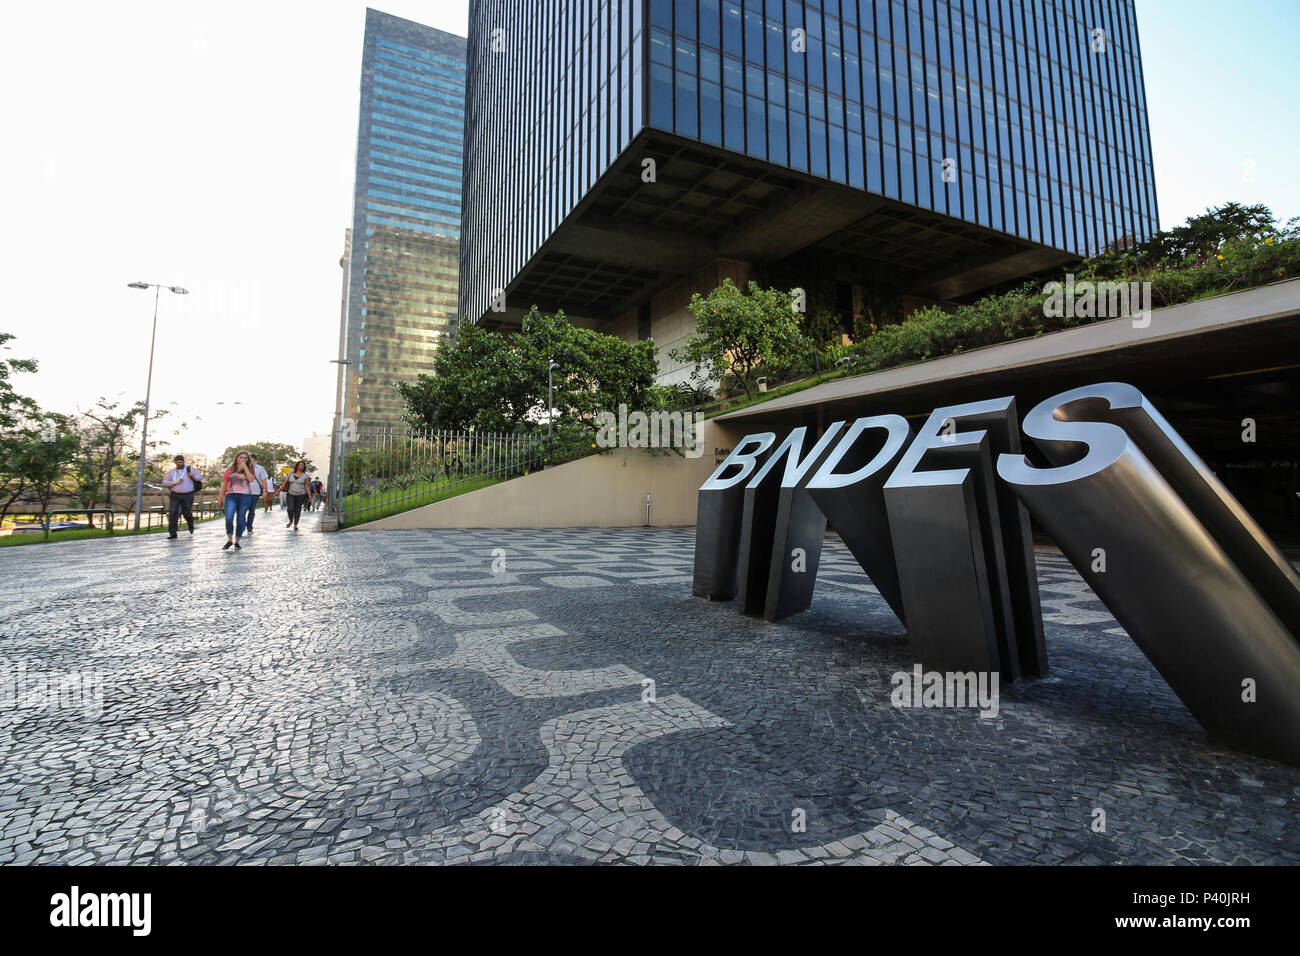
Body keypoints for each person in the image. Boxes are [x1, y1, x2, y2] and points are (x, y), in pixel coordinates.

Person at [219, 450, 258, 550]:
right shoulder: (230, 469)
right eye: (241, 457)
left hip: (245, 496)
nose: (243, 459)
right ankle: (229, 539)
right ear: (236, 458)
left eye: (245, 458)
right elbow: (224, 484)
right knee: (229, 517)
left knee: (241, 518)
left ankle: (237, 541)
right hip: (231, 495)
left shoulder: (250, 469)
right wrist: (220, 498)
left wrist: (245, 467)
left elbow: (251, 480)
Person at [161, 454, 202, 539]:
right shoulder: (172, 472)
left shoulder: (190, 469)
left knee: (186, 512)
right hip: (175, 494)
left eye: (180, 462)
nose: (178, 464)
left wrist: (192, 476)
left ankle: (190, 524)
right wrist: (173, 482)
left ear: (183, 462)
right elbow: (164, 482)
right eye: (177, 463)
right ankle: (172, 533)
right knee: (173, 512)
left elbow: (199, 477)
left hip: (188, 494)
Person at [281, 460, 311, 531]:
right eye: (300, 465)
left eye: (302, 465)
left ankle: (295, 524)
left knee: (298, 509)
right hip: (291, 494)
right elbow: (285, 483)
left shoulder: (305, 476)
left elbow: (307, 487)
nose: (301, 466)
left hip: (301, 494)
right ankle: (291, 521)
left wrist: (310, 496)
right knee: (290, 509)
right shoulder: (291, 474)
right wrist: (278, 491)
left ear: (304, 467)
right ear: (297, 466)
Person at [245, 454, 269, 535]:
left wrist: (265, 490)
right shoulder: (243, 468)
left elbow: (263, 480)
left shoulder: (260, 468)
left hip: (255, 492)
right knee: (242, 510)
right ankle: (242, 524)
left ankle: (249, 526)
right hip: (243, 491)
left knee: (252, 510)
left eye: (252, 459)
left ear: (255, 460)